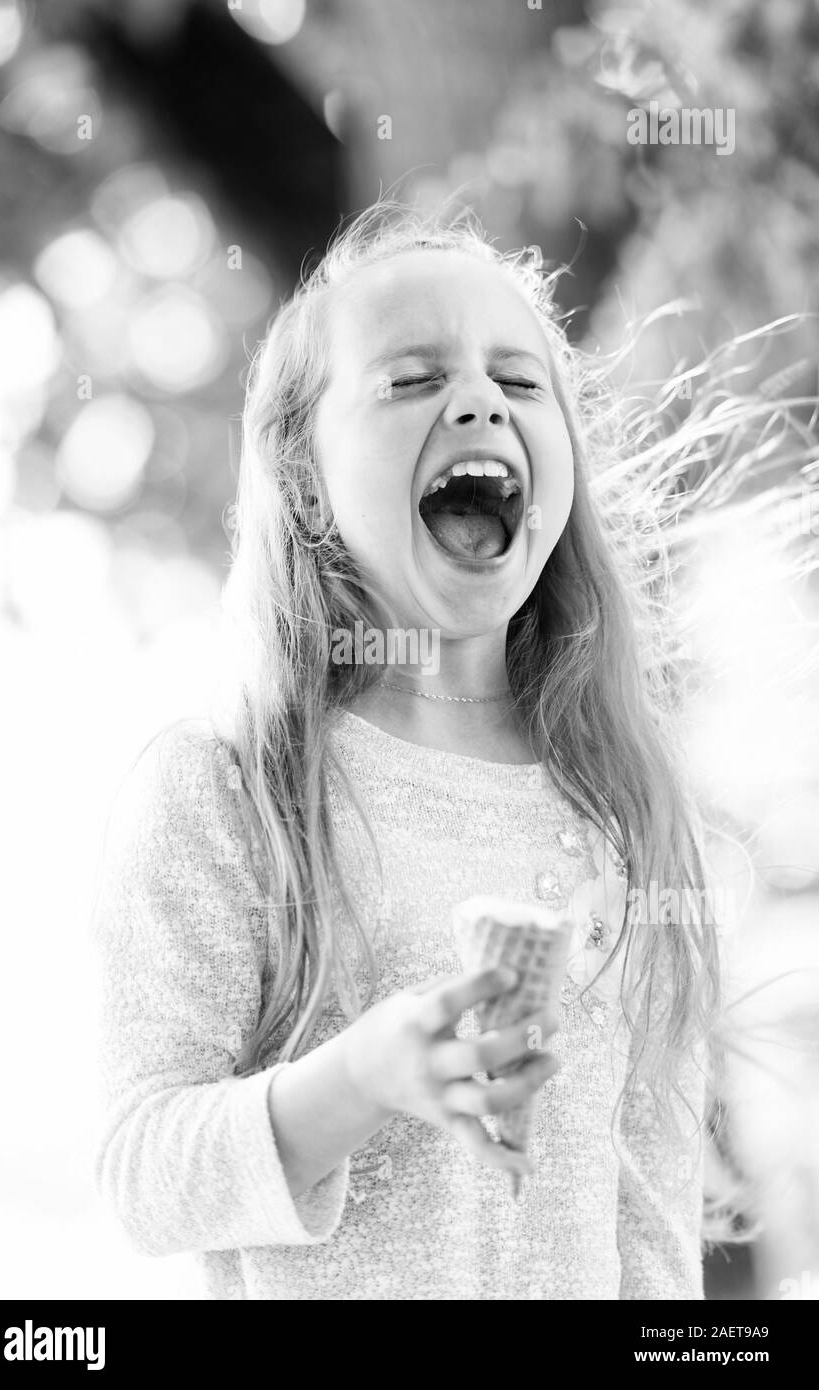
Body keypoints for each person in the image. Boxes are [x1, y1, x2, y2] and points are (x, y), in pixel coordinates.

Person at [90, 199, 724, 1300]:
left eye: (520, 383)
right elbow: (142, 1173)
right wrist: (363, 1075)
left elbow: (651, 1235)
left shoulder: (624, 812)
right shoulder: (233, 786)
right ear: (304, 481)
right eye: (413, 378)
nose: (478, 398)